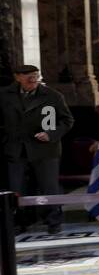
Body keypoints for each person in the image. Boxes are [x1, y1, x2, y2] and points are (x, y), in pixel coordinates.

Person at [0, 65, 74, 233]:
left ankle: (53, 221)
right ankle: (19, 222)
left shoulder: (53, 96)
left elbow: (67, 120)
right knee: (16, 188)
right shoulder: (4, 95)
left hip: (45, 150)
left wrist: (51, 134)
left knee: (49, 187)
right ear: (17, 77)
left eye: (35, 75)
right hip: (15, 149)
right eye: (27, 75)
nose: (32, 78)